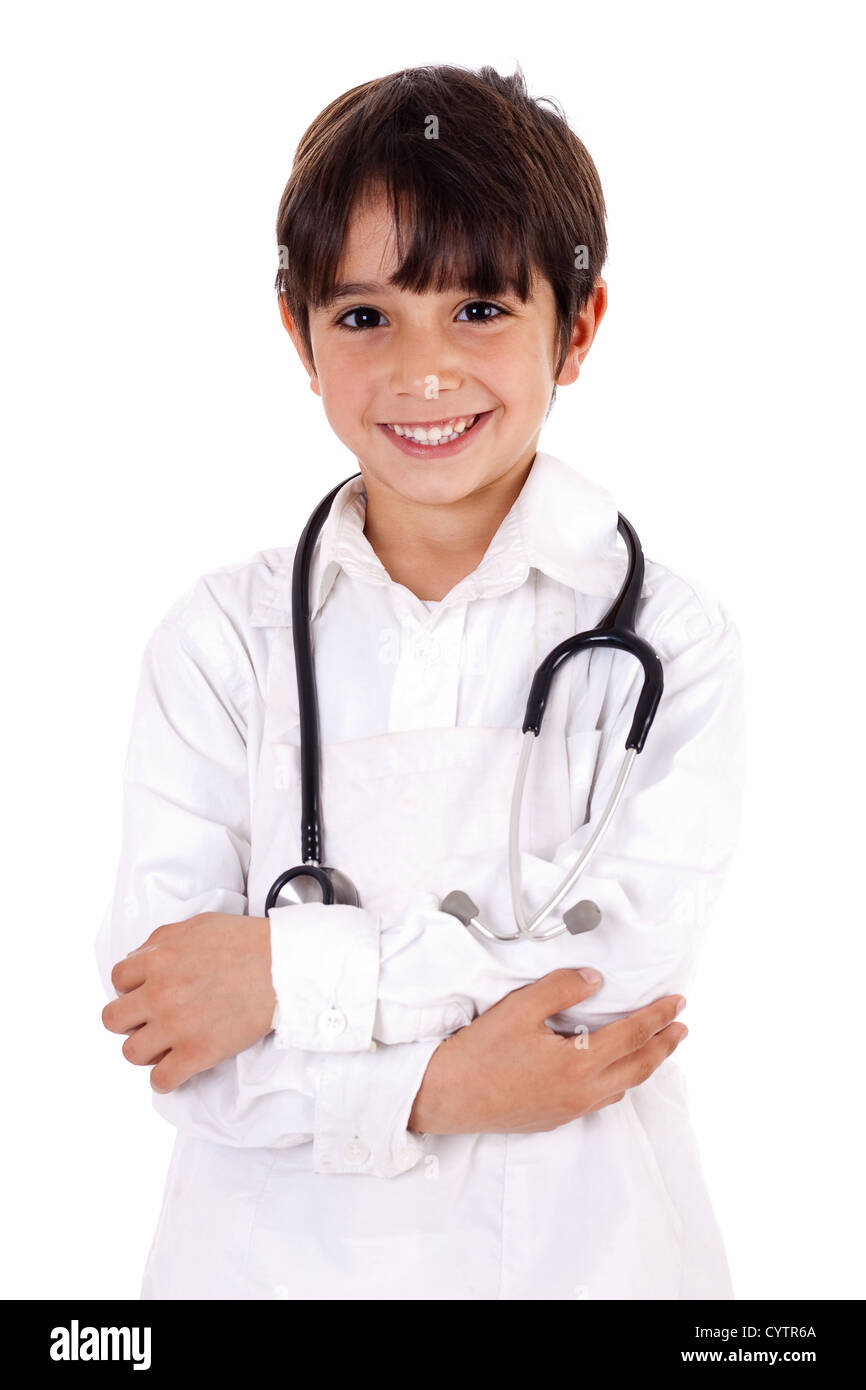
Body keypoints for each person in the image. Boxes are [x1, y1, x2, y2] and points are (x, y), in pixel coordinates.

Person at [95, 62, 744, 1301]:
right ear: (297, 334)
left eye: (481, 310)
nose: (423, 369)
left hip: (587, 1263)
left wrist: (285, 976)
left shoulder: (670, 641)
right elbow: (169, 1013)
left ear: (581, 323)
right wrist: (441, 1087)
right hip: (258, 1271)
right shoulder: (220, 641)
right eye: (363, 317)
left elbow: (614, 986)